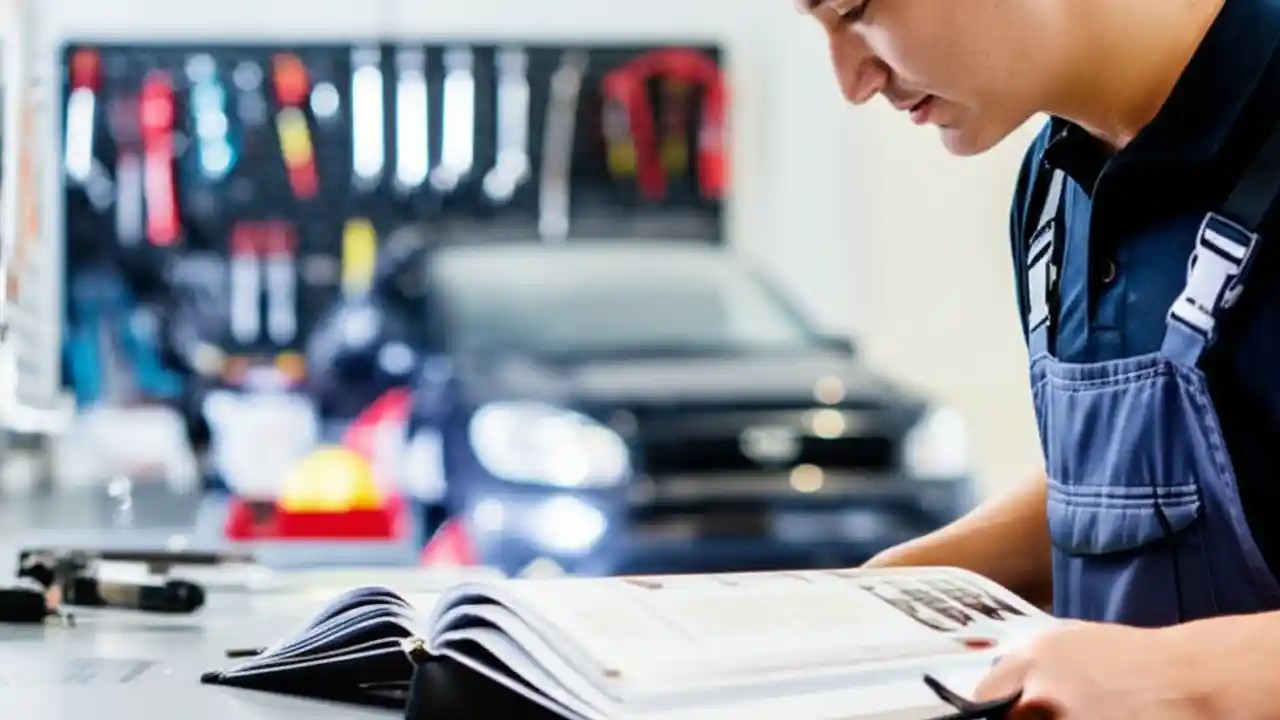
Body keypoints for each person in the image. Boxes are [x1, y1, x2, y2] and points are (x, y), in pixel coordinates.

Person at [798, 0, 1280, 716]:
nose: (853, 81)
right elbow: (1175, 471)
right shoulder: (1053, 189)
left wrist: (1179, 678)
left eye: (855, 9)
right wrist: (897, 589)